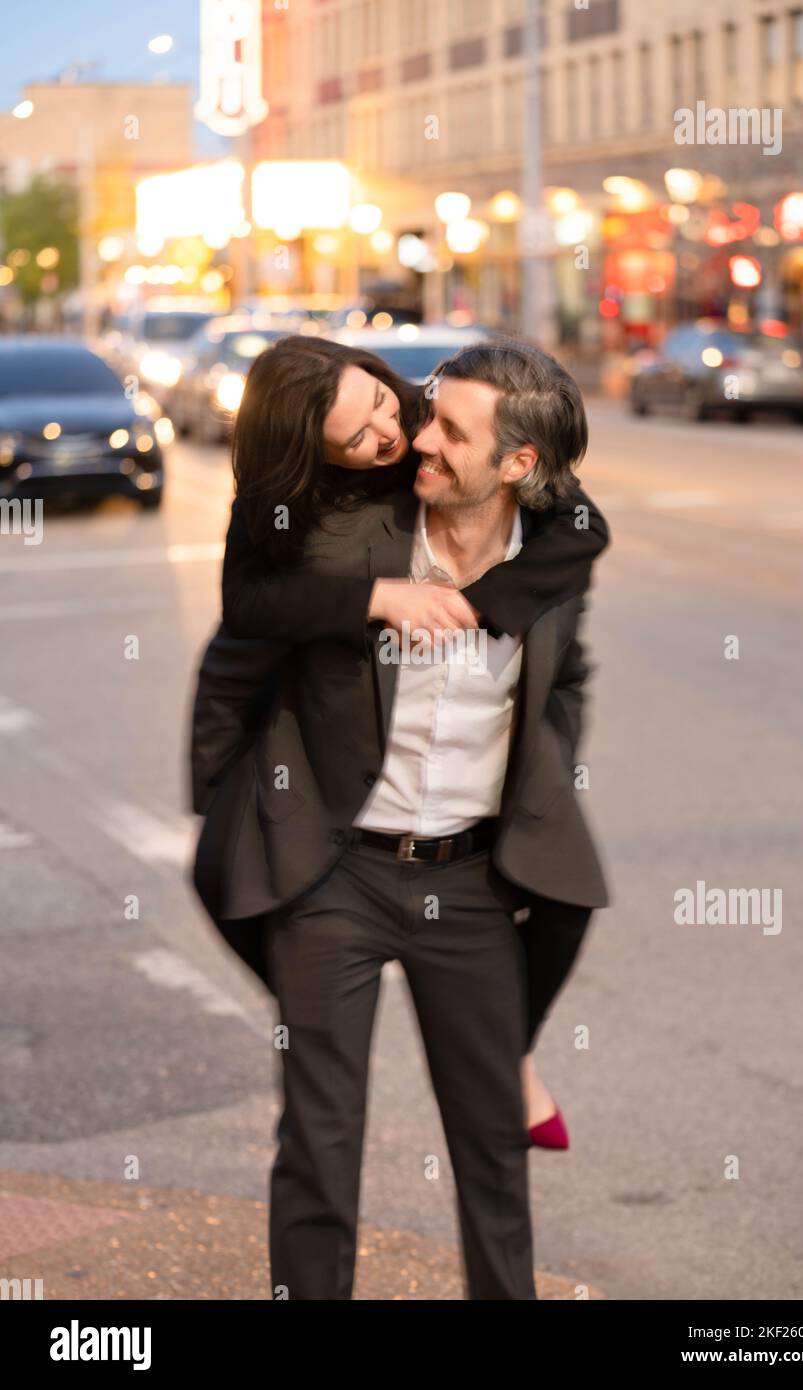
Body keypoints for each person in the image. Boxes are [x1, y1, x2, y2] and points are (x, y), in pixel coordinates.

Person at [189, 339, 609, 1299]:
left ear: (517, 466)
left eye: (439, 428)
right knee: (319, 1143)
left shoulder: (550, 549)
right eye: (413, 421)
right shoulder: (345, 537)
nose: (412, 438)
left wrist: (535, 799)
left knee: (493, 1149)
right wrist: (223, 804)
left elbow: (564, 680)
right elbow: (241, 632)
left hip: (469, 884)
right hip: (334, 876)